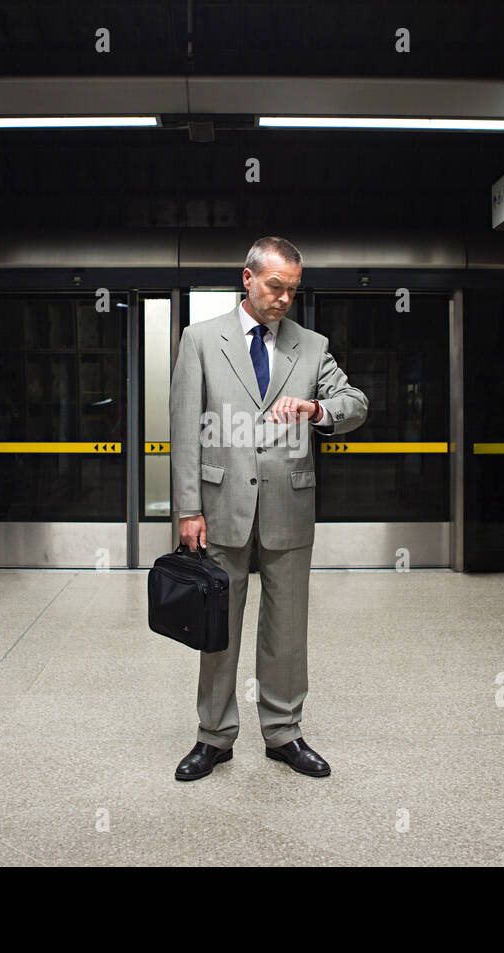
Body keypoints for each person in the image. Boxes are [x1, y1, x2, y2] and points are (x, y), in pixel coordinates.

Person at [168, 236, 368, 781]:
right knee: (218, 627)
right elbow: (186, 430)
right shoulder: (201, 340)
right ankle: (214, 736)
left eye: (292, 291)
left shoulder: (311, 344)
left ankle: (284, 733)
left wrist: (316, 407)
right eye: (275, 287)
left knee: (287, 629)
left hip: (289, 505)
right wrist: (188, 508)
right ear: (248, 279)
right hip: (219, 506)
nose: (283, 299)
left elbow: (355, 405)